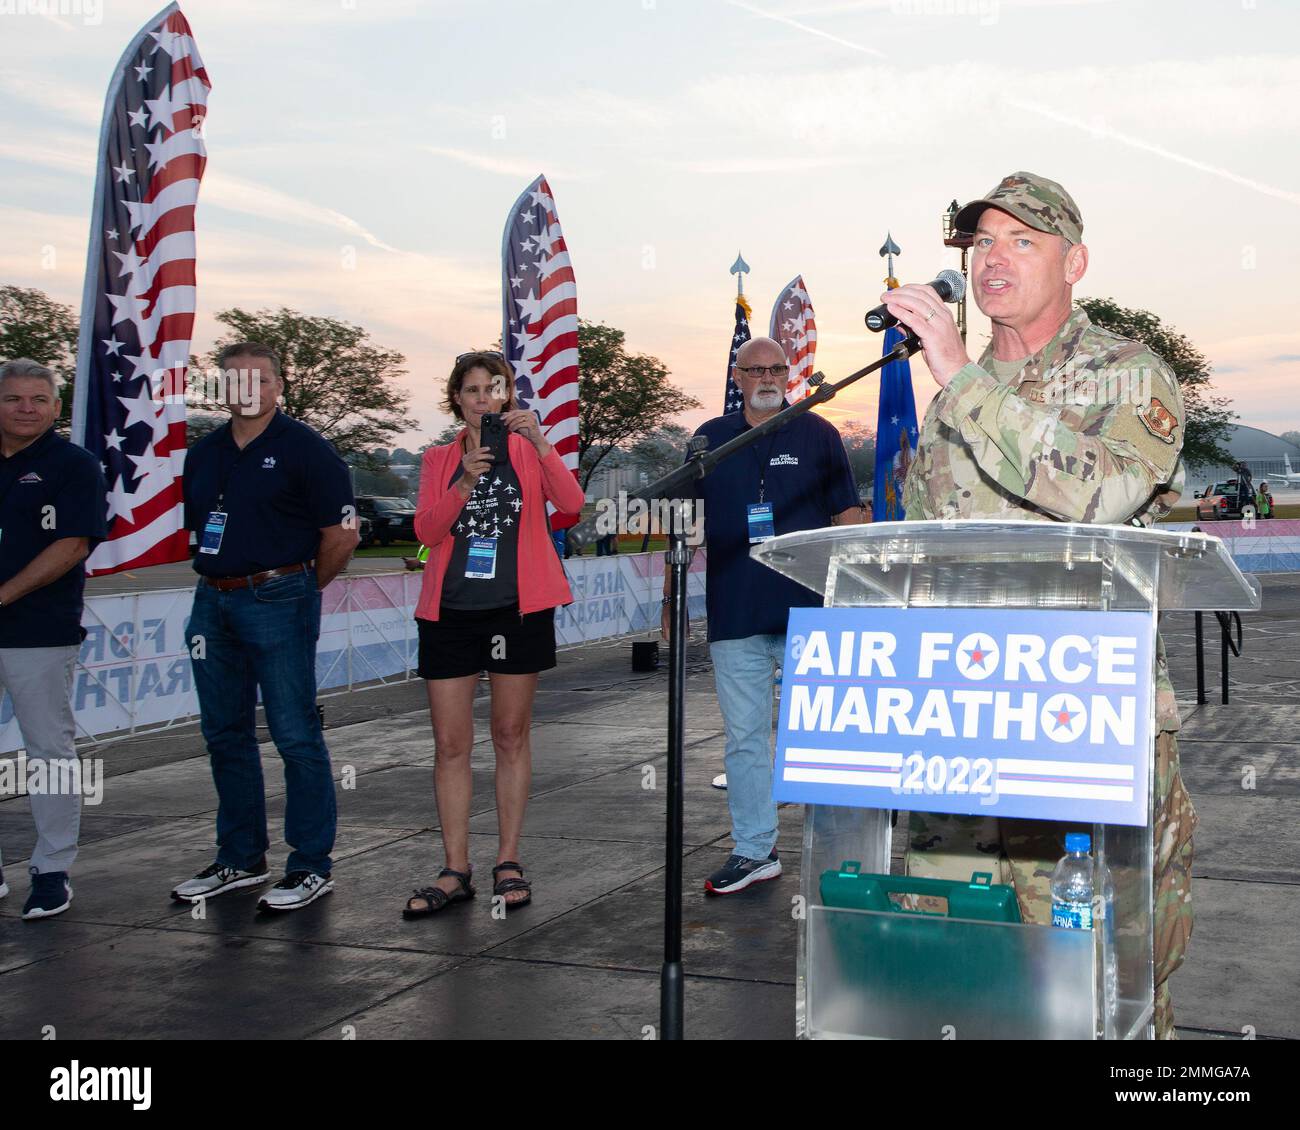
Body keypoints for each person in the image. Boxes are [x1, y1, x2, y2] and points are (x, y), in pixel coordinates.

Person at [882, 171, 1191, 1037]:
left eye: (1022, 240)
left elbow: (1107, 492)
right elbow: (920, 553)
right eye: (982, 242)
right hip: (959, 733)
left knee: (1104, 984)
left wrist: (957, 375)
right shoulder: (955, 397)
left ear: (1074, 263)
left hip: (1083, 726)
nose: (993, 258)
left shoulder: (1125, 374)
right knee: (963, 981)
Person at [664, 336, 865, 895]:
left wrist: (858, 592)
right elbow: (685, 523)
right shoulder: (709, 439)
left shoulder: (819, 432)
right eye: (756, 370)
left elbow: (847, 516)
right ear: (738, 376)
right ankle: (755, 851)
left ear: (789, 373)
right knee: (745, 740)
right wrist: (669, 598)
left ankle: (840, 856)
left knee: (822, 737)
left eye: (777, 368)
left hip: (810, 613)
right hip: (735, 613)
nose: (768, 378)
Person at [172, 343, 358, 912]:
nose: (247, 390)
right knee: (224, 733)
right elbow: (202, 528)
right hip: (213, 599)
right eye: (234, 380)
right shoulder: (203, 453)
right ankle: (240, 858)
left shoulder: (308, 449)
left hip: (281, 596)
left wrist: (299, 589)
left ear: (279, 386)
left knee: (294, 734)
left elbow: (341, 536)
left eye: (259, 379)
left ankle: (309, 866)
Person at [403, 351, 584, 916]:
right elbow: (426, 532)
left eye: (494, 388)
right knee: (451, 744)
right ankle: (455, 868)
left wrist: (543, 444)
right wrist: (462, 482)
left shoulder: (529, 451)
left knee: (509, 734)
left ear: (508, 395)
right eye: (472, 390)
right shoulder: (438, 458)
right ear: (457, 399)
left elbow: (572, 506)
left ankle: (508, 860)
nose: (483, 399)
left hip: (516, 610)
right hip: (451, 612)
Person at [0, 359, 107, 919]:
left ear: (56, 408)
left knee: (48, 751)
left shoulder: (75, 465)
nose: (26, 409)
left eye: (38, 399)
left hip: (39, 632)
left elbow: (72, 545)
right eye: (14, 398)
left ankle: (51, 870)